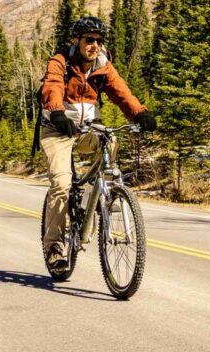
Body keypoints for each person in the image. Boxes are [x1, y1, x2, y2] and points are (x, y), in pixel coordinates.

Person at [39, 16, 156, 269]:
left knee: (110, 139)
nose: (95, 46)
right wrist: (57, 113)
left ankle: (103, 191)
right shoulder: (60, 62)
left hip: (87, 128)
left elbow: (121, 92)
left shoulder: (103, 65)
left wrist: (139, 113)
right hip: (57, 129)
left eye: (99, 41)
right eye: (89, 40)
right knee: (61, 185)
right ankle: (54, 248)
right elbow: (52, 87)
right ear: (76, 40)